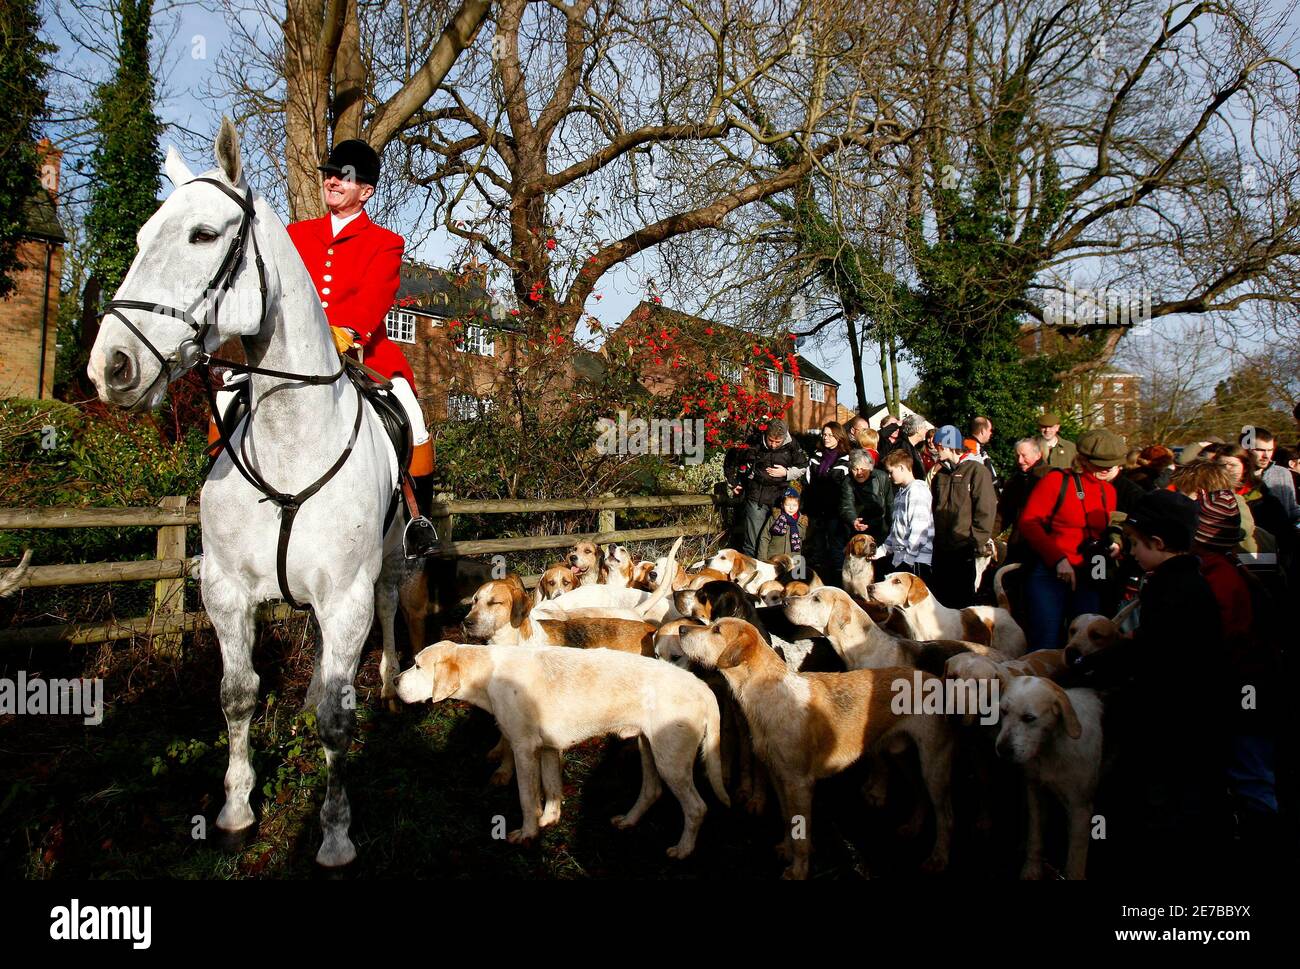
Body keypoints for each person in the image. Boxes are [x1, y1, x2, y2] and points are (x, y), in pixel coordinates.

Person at [1060, 490, 1231, 876]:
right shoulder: (1185, 580)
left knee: (1163, 801)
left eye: (1136, 544)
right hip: (1192, 710)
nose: (1131, 552)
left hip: (1174, 715)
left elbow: (1155, 654)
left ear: (1157, 543)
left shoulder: (1169, 589)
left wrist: (1092, 668)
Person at [286, 139, 438, 556]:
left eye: (343, 176)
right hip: (294, 353)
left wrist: (348, 331)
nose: (332, 180)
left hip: (365, 353)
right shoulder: (295, 234)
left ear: (365, 190)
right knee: (229, 391)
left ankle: (417, 521)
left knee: (414, 419)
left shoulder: (385, 241)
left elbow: (376, 294)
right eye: (329, 174)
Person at [1018, 429, 1125, 650]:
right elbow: (1029, 523)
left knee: (1088, 643)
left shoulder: (1109, 491)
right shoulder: (1056, 481)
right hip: (1051, 572)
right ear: (1084, 460)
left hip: (1091, 572)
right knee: (1046, 640)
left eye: (1111, 464)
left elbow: (1107, 529)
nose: (1107, 469)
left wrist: (1115, 544)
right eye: (1100, 464)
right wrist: (1057, 559)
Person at [929, 424, 996, 608]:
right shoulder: (940, 475)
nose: (935, 450)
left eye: (937, 446)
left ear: (946, 445)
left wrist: (975, 542)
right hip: (941, 550)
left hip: (963, 550)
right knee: (941, 605)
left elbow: (986, 510)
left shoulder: (977, 472)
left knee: (962, 605)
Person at [731, 418, 808, 558]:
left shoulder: (792, 445)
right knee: (753, 542)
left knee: (775, 541)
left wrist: (786, 473)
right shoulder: (754, 441)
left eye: (777, 442)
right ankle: (750, 574)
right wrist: (734, 482)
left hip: (780, 499)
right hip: (756, 497)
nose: (773, 445)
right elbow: (735, 460)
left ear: (784, 438)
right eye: (770, 440)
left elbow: (803, 466)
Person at [802, 422, 853, 578]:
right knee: (817, 547)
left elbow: (844, 486)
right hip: (817, 509)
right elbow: (808, 481)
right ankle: (817, 578)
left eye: (830, 435)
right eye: (824, 434)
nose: (826, 438)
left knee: (836, 546)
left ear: (839, 436)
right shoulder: (816, 456)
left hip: (835, 511)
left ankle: (838, 580)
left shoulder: (847, 458)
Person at [879, 448, 933, 578]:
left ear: (902, 467)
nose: (889, 476)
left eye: (891, 472)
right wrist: (880, 551)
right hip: (900, 560)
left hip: (916, 561)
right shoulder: (900, 493)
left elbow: (919, 530)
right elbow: (896, 531)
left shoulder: (917, 491)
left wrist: (908, 560)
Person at [997, 437, 1048, 563]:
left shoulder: (1050, 477)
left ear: (1038, 455)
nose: (1020, 460)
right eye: (1017, 456)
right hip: (1017, 545)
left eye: (1024, 456)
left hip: (1044, 547)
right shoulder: (1015, 481)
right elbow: (1002, 515)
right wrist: (986, 538)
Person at [840, 448, 893, 543]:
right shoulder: (848, 481)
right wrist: (853, 520)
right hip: (859, 526)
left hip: (880, 526)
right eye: (855, 469)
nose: (859, 472)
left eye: (863, 469)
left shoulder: (882, 477)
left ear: (870, 468)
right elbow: (847, 505)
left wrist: (892, 527)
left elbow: (890, 504)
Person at [759, 487, 806, 560]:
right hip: (773, 558)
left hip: (792, 561)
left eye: (794, 505)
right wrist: (762, 559)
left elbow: (802, 541)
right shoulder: (775, 518)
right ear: (782, 505)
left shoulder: (802, 521)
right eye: (788, 505)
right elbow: (764, 538)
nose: (791, 508)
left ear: (798, 505)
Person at [970, 415, 999, 491]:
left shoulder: (964, 446)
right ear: (983, 431)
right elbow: (990, 478)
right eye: (990, 430)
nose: (991, 433)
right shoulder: (977, 450)